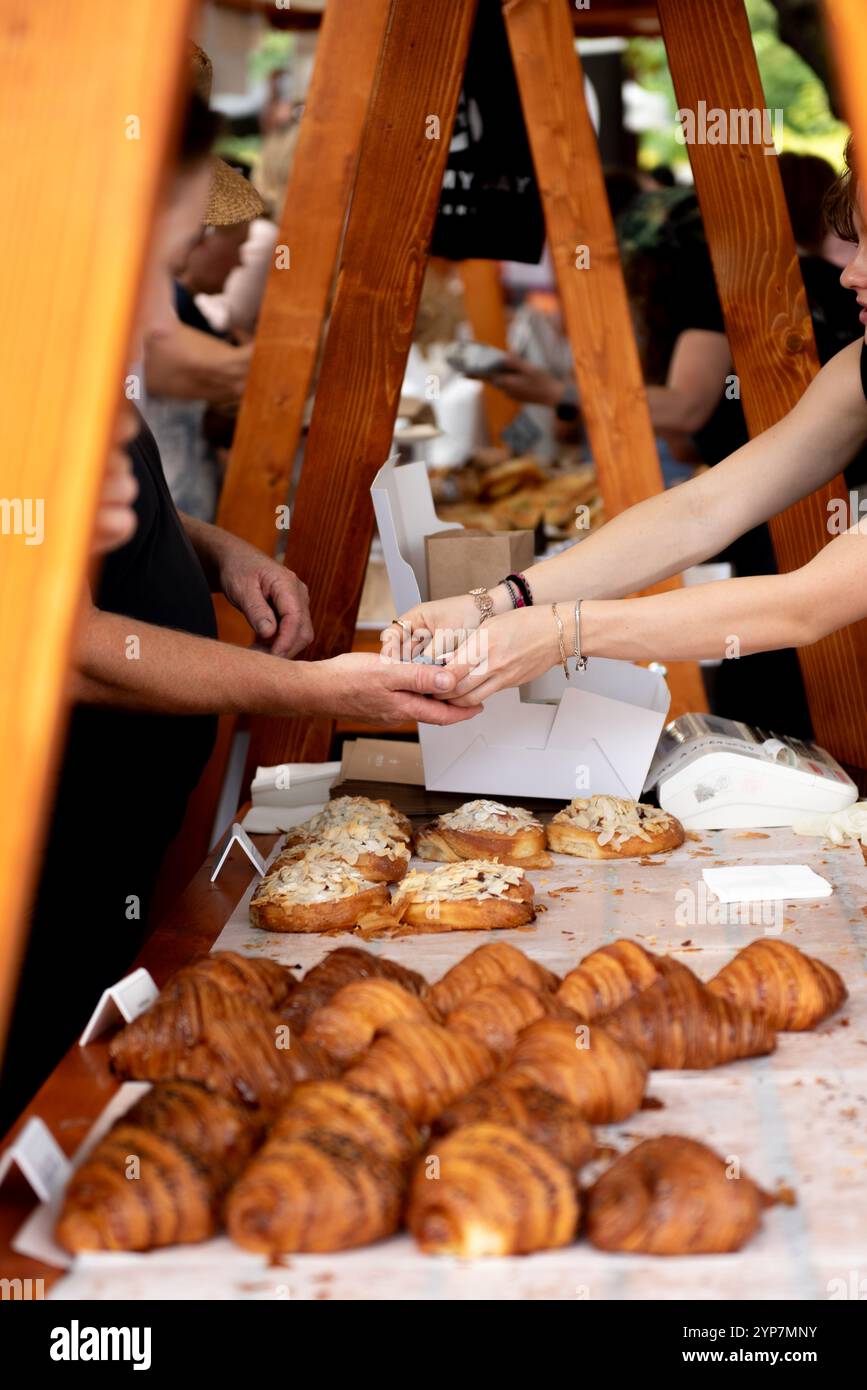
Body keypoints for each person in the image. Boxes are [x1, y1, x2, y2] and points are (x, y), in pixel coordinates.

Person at [0, 91, 475, 1133]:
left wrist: (211, 548)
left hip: (111, 827)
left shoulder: (60, 326)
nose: (151, 317)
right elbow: (65, 645)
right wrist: (309, 686)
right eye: (158, 254)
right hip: (47, 839)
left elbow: (126, 506)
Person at [390, 140, 867, 720]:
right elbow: (704, 508)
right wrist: (494, 603)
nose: (850, 272)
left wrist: (561, 630)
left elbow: (805, 605)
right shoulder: (858, 366)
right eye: (856, 240)